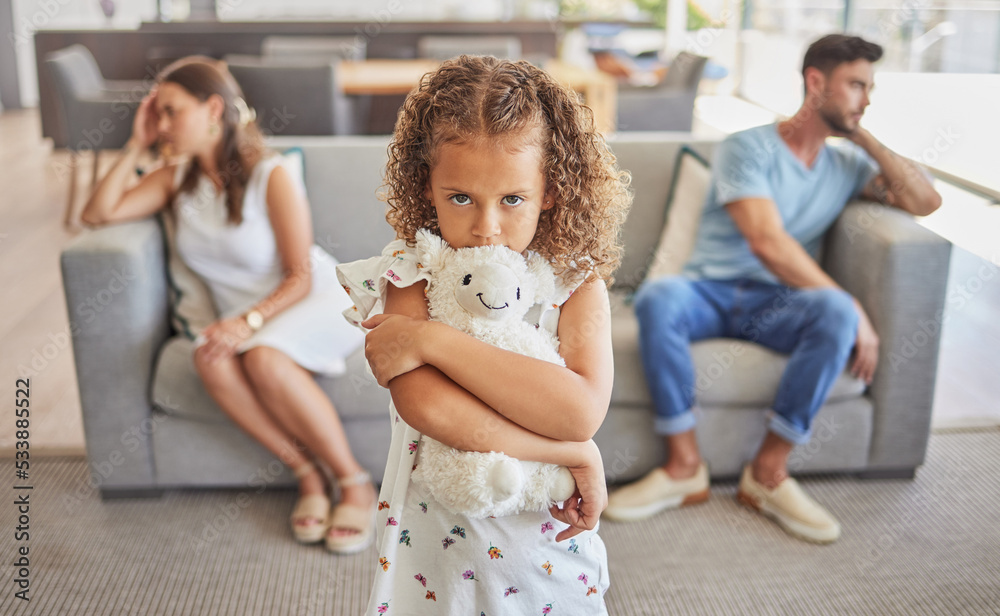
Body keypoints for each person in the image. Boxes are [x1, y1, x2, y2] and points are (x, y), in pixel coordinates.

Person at [604, 34, 942, 543]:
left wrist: (864, 137)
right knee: (658, 298)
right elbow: (765, 241)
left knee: (830, 313)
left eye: (869, 88)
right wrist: (853, 304)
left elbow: (926, 201)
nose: (866, 98)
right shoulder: (748, 147)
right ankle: (683, 469)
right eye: (855, 85)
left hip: (775, 303)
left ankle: (766, 474)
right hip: (709, 291)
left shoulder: (847, 166)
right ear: (815, 83)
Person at [335, 55, 631, 614]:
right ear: (427, 187)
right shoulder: (411, 270)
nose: (485, 226)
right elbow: (428, 408)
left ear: (552, 190)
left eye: (512, 199)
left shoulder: (575, 286)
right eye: (461, 197)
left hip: (547, 555)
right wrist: (575, 456)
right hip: (436, 554)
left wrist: (428, 342)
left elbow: (578, 413)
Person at [80, 57, 376, 554]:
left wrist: (248, 322)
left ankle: (353, 482)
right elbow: (97, 213)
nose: (164, 124)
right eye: (160, 115)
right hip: (253, 316)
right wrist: (137, 143)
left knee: (262, 357)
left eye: (171, 111)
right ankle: (306, 473)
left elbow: (301, 274)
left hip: (315, 299)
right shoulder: (176, 179)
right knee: (208, 357)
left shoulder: (270, 173)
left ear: (213, 108)